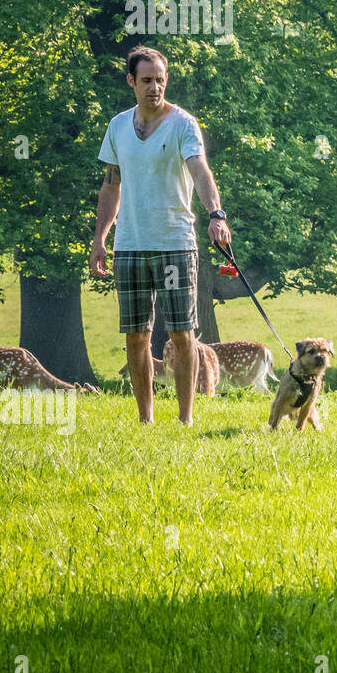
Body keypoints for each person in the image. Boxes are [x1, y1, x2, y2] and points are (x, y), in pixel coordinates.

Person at [89, 47, 231, 425]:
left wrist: (216, 214)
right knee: (136, 336)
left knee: (183, 335)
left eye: (160, 80)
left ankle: (185, 420)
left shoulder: (183, 124)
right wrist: (100, 239)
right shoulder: (118, 126)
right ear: (131, 81)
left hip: (174, 244)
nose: (155, 87)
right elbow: (111, 185)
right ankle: (146, 420)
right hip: (130, 246)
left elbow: (200, 172)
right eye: (147, 80)